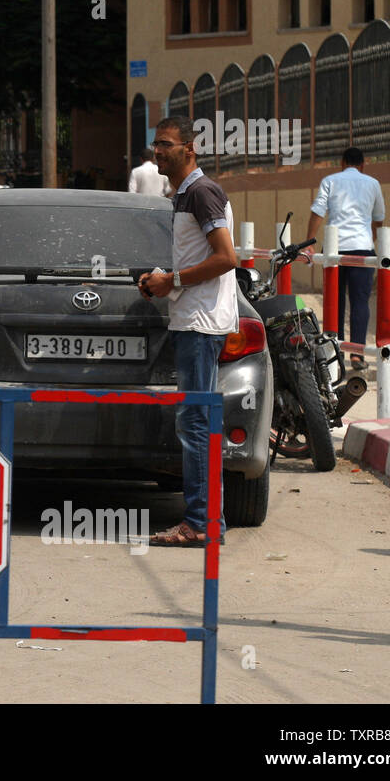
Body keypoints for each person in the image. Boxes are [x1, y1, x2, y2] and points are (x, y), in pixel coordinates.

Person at [138, 115, 238, 548]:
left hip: (201, 324)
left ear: (189, 150)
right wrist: (164, 279)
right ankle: (207, 518)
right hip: (191, 318)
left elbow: (226, 258)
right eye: (155, 144)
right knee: (196, 420)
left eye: (165, 144)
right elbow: (200, 256)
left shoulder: (201, 191)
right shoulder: (184, 195)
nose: (157, 151)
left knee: (195, 422)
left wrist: (172, 282)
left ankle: (200, 523)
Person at [304, 146, 386, 370]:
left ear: (342, 162)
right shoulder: (373, 183)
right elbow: (378, 219)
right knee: (360, 302)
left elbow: (318, 212)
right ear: (363, 164)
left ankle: (335, 352)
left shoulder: (330, 180)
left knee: (335, 300)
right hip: (362, 249)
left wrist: (309, 243)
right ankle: (357, 354)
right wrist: (372, 238)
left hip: (335, 249)